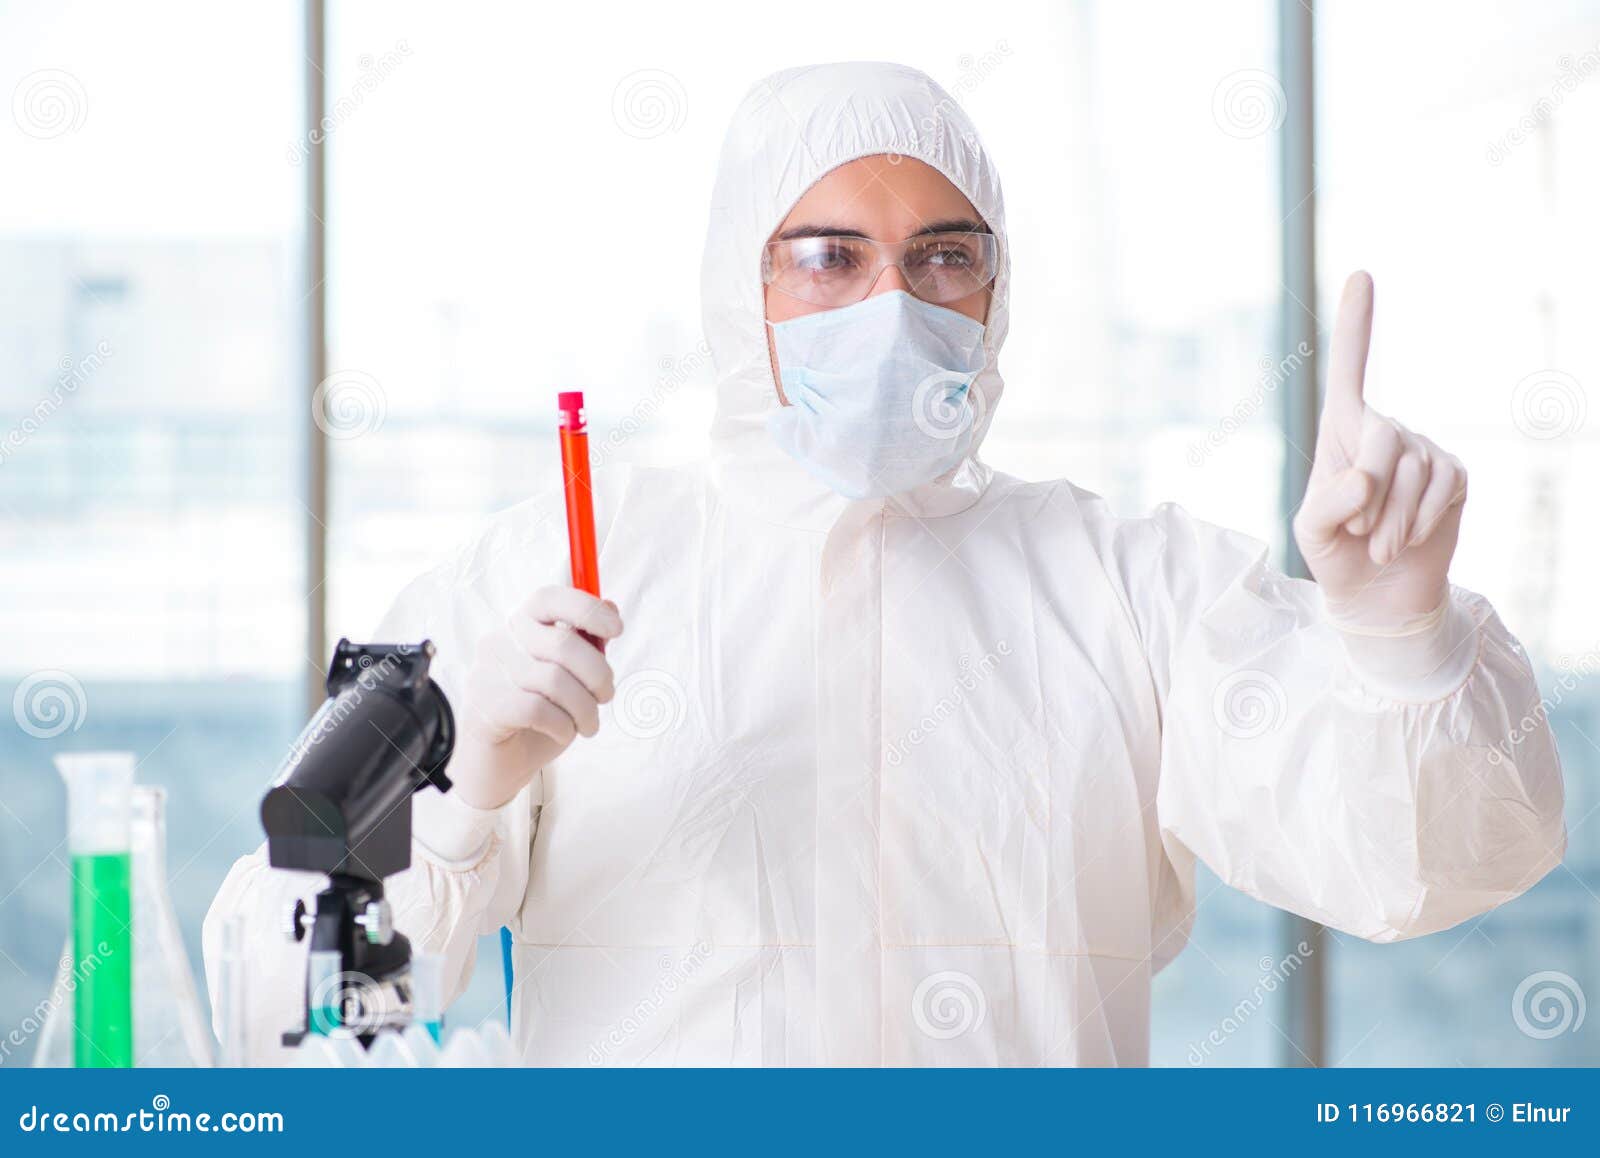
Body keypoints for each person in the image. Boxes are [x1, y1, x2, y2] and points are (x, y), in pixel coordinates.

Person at [206, 61, 1565, 1066]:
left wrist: (1400, 632)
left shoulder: (1132, 584)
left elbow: (1427, 867)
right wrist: (462, 787)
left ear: (995, 293)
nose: (891, 304)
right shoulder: (546, 570)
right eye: (828, 258)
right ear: (742, 288)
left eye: (942, 258)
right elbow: (277, 1001)